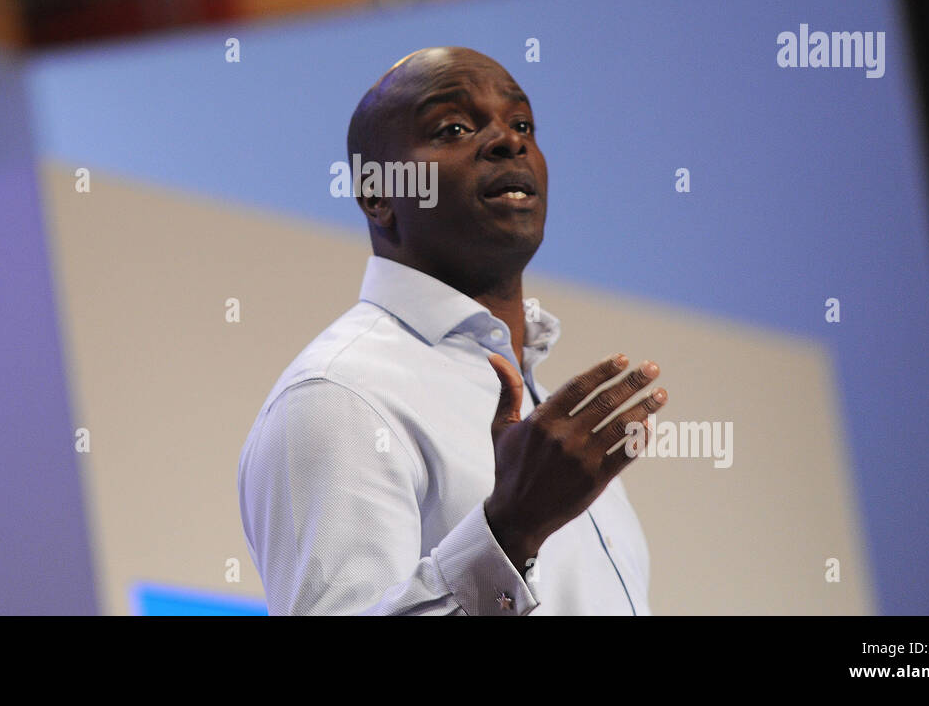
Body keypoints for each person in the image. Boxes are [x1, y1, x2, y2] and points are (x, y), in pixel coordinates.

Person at [238, 46, 669, 615]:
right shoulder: (339, 395)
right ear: (378, 191)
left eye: (522, 124)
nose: (508, 141)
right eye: (455, 127)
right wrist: (510, 531)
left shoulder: (545, 416)